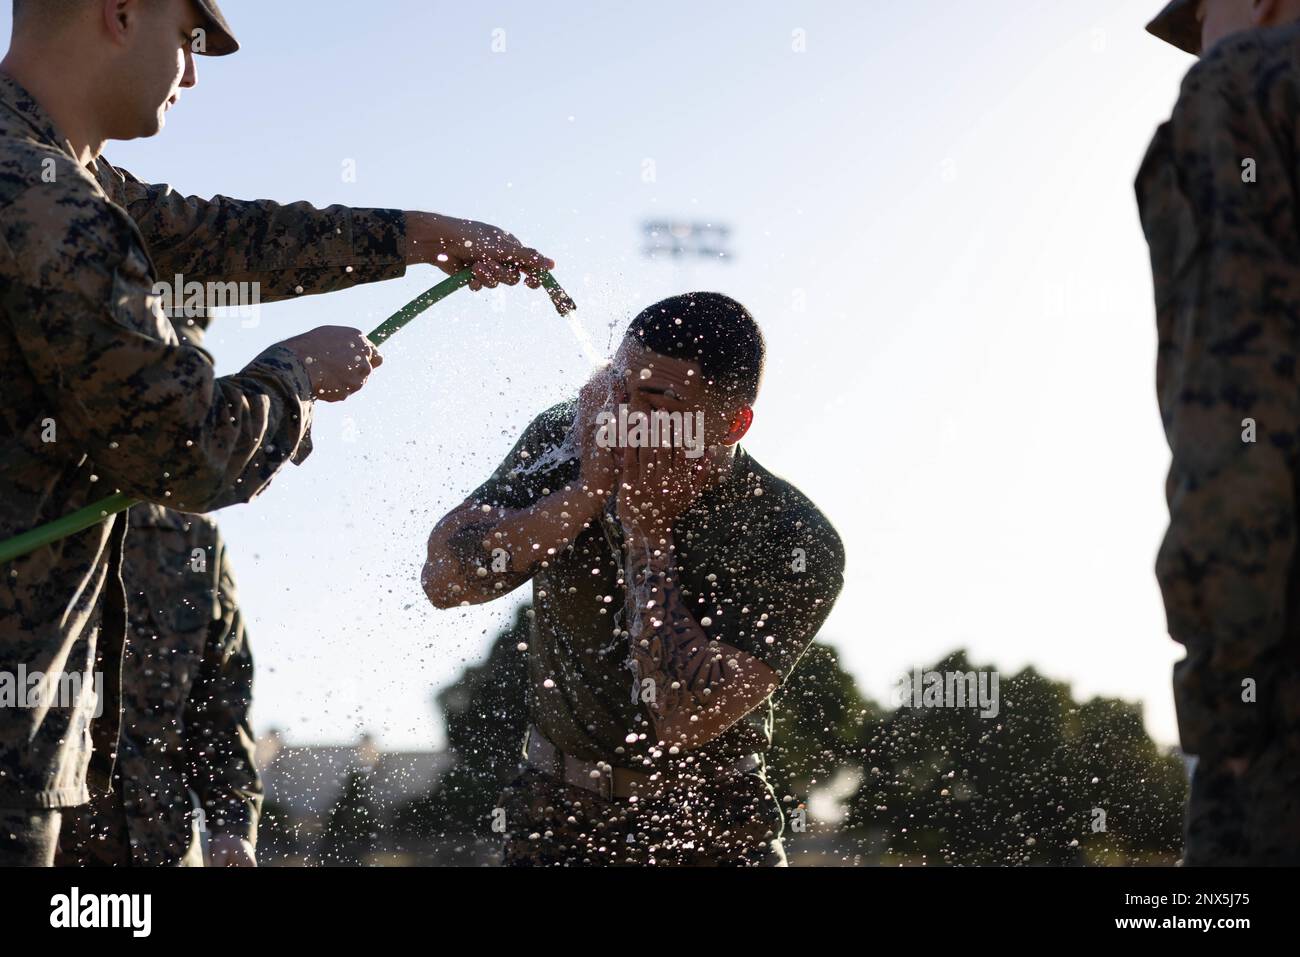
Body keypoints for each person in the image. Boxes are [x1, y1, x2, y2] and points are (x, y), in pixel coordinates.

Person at [0, 0, 550, 866]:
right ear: (118, 13)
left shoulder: (51, 179)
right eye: (187, 42)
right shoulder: (45, 199)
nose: (190, 75)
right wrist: (293, 377)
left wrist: (413, 238)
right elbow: (189, 451)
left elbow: (213, 236)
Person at [423, 293, 845, 866]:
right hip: (556, 812)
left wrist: (648, 536)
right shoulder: (567, 438)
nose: (622, 416)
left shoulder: (791, 536)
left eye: (656, 400)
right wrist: (583, 495)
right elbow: (445, 579)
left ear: (731, 422)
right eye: (617, 385)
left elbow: (681, 717)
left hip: (711, 821)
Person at [1137, 0, 1300, 864]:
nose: (1197, 44)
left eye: (1199, 17)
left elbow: (1241, 431)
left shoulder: (1243, 92)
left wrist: (1229, 708)